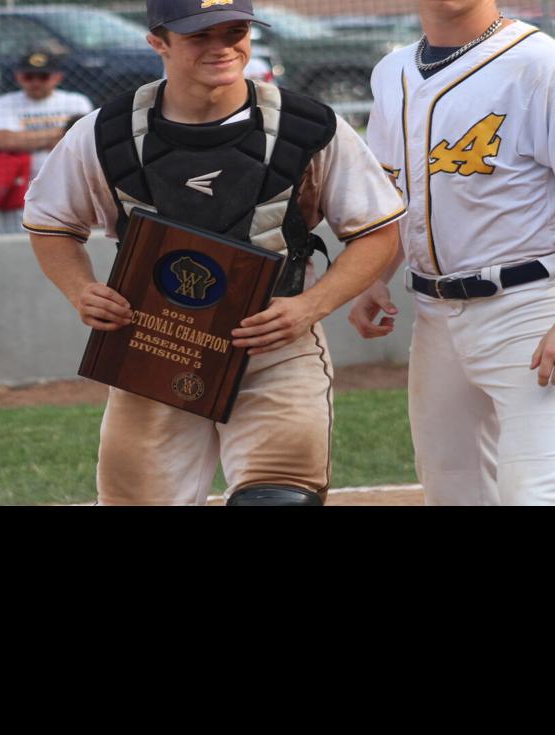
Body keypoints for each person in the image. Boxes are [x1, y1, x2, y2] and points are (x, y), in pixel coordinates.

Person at [23, 0, 405, 506]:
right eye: (200, 35)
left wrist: (312, 306)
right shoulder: (104, 132)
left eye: (235, 30)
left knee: (277, 500)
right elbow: (52, 225)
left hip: (272, 340)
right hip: (154, 343)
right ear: (158, 41)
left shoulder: (307, 126)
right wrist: (82, 290)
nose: (223, 47)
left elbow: (378, 231)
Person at [348, 0, 555, 505]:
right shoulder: (390, 71)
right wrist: (375, 273)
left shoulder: (546, 65)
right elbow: (396, 194)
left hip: (530, 308)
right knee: (453, 490)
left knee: (538, 494)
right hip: (433, 316)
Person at [0, 48, 94, 233]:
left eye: (43, 76)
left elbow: (84, 141)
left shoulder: (76, 102)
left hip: (66, 184)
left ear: (57, 77)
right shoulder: (4, 103)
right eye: (29, 77)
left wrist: (25, 140)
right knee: (16, 240)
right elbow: (6, 141)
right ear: (18, 77)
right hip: (19, 188)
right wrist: (61, 134)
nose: (35, 82)